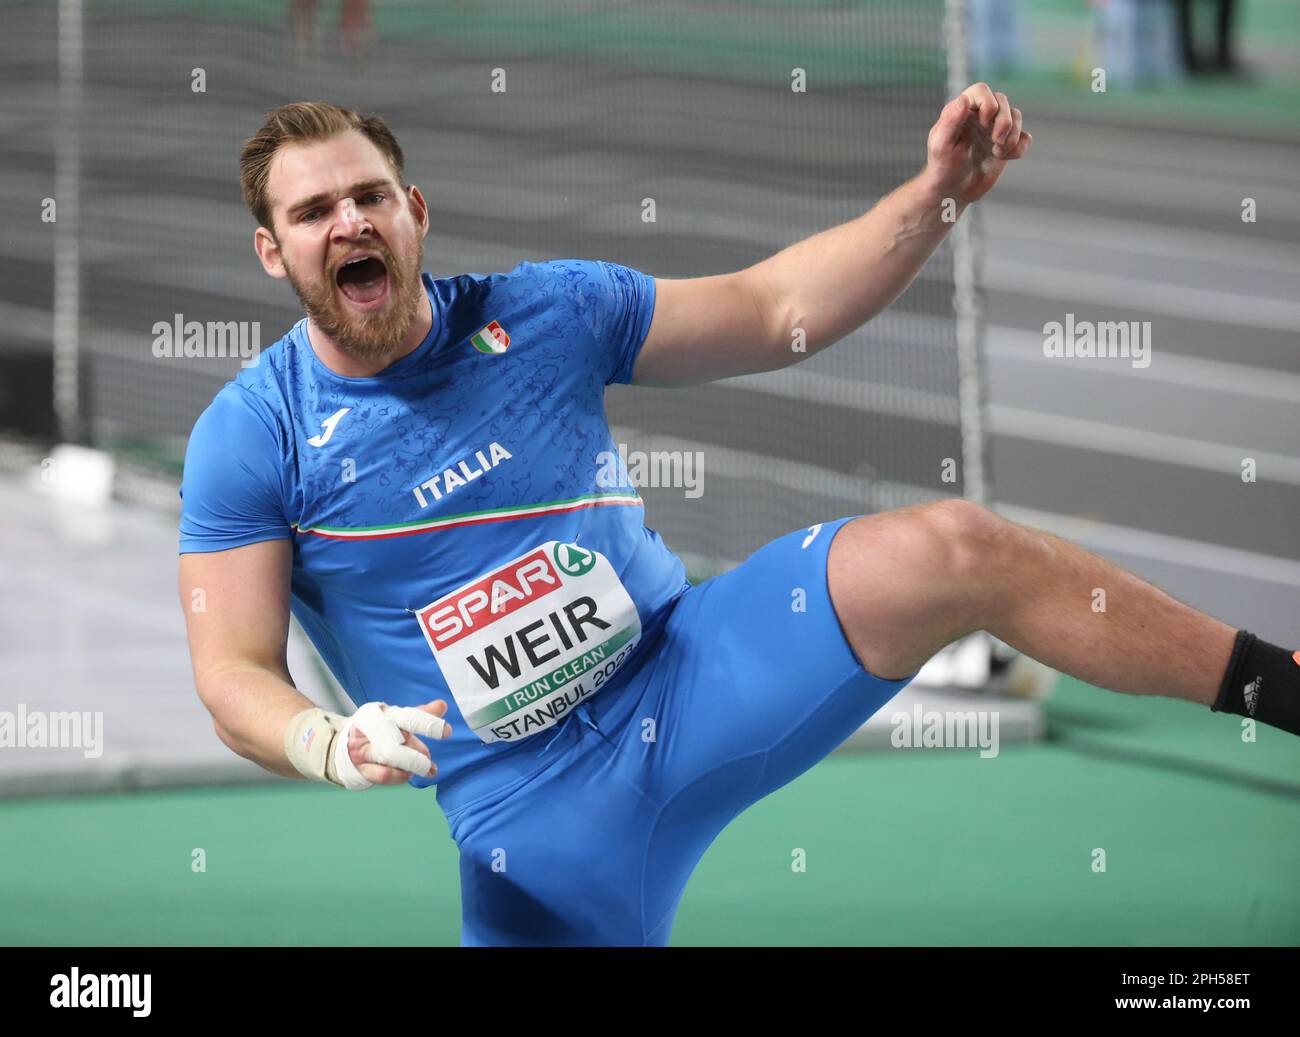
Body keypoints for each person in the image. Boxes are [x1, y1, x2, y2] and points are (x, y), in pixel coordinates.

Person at [178, 91, 1298, 947]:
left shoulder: (547, 311)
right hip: (537, 819)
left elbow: (776, 309)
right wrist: (326, 740)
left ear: (412, 212)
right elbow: (232, 671)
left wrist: (939, 194)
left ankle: (1281, 686)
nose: (349, 221)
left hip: (694, 669)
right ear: (275, 251)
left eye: (369, 195)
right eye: (314, 210)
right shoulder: (256, 434)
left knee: (958, 546)